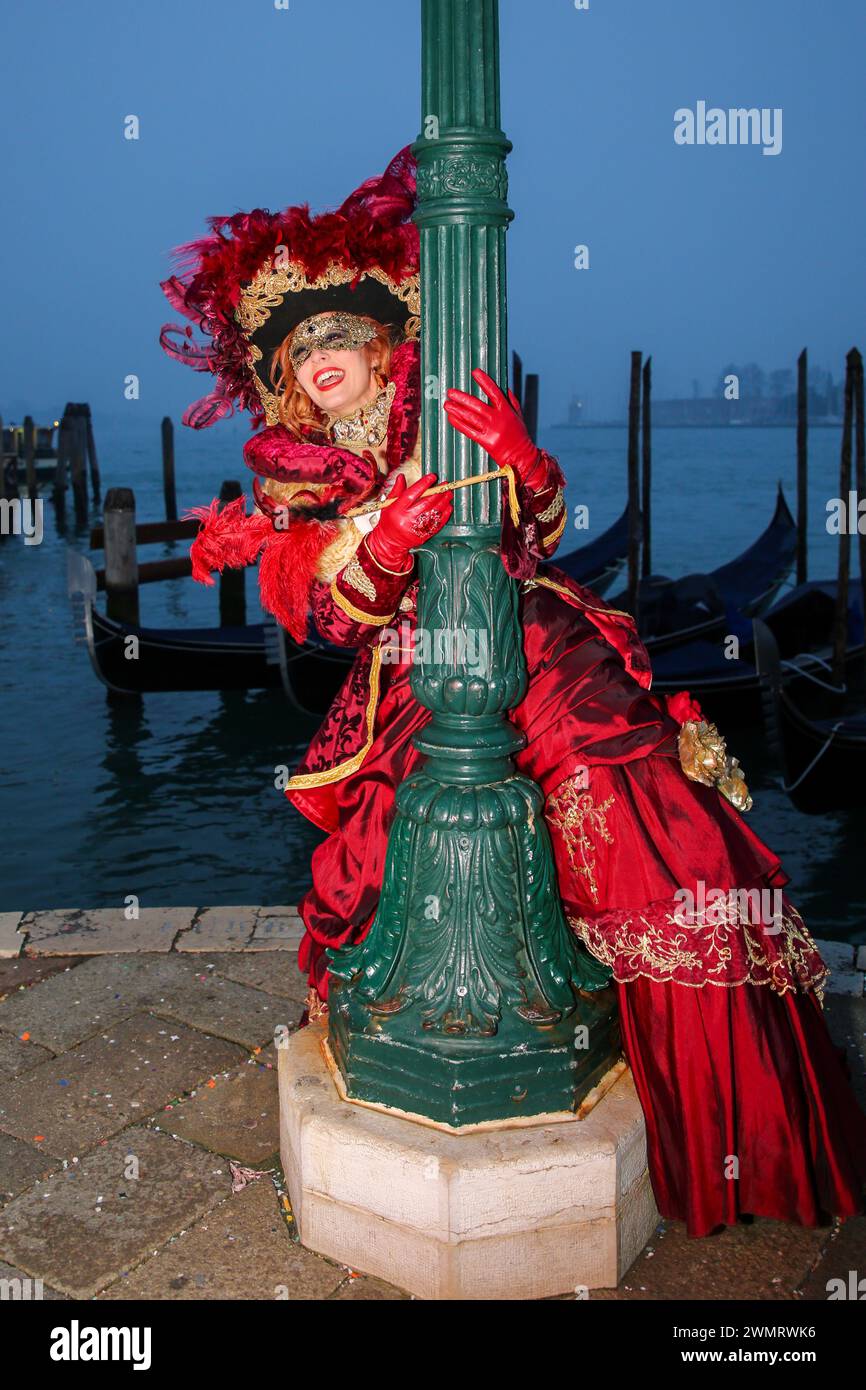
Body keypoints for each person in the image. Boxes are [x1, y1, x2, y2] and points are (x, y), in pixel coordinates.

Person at [162, 147, 866, 1237]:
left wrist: (526, 466)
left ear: (383, 343)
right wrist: (390, 543)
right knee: (611, 844)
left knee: (685, 842)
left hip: (554, 646)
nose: (321, 358)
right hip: (431, 693)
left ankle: (753, 1135)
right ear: (283, 380)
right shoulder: (287, 496)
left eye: (339, 335)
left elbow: (530, 537)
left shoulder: (434, 427)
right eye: (301, 350)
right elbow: (330, 617)